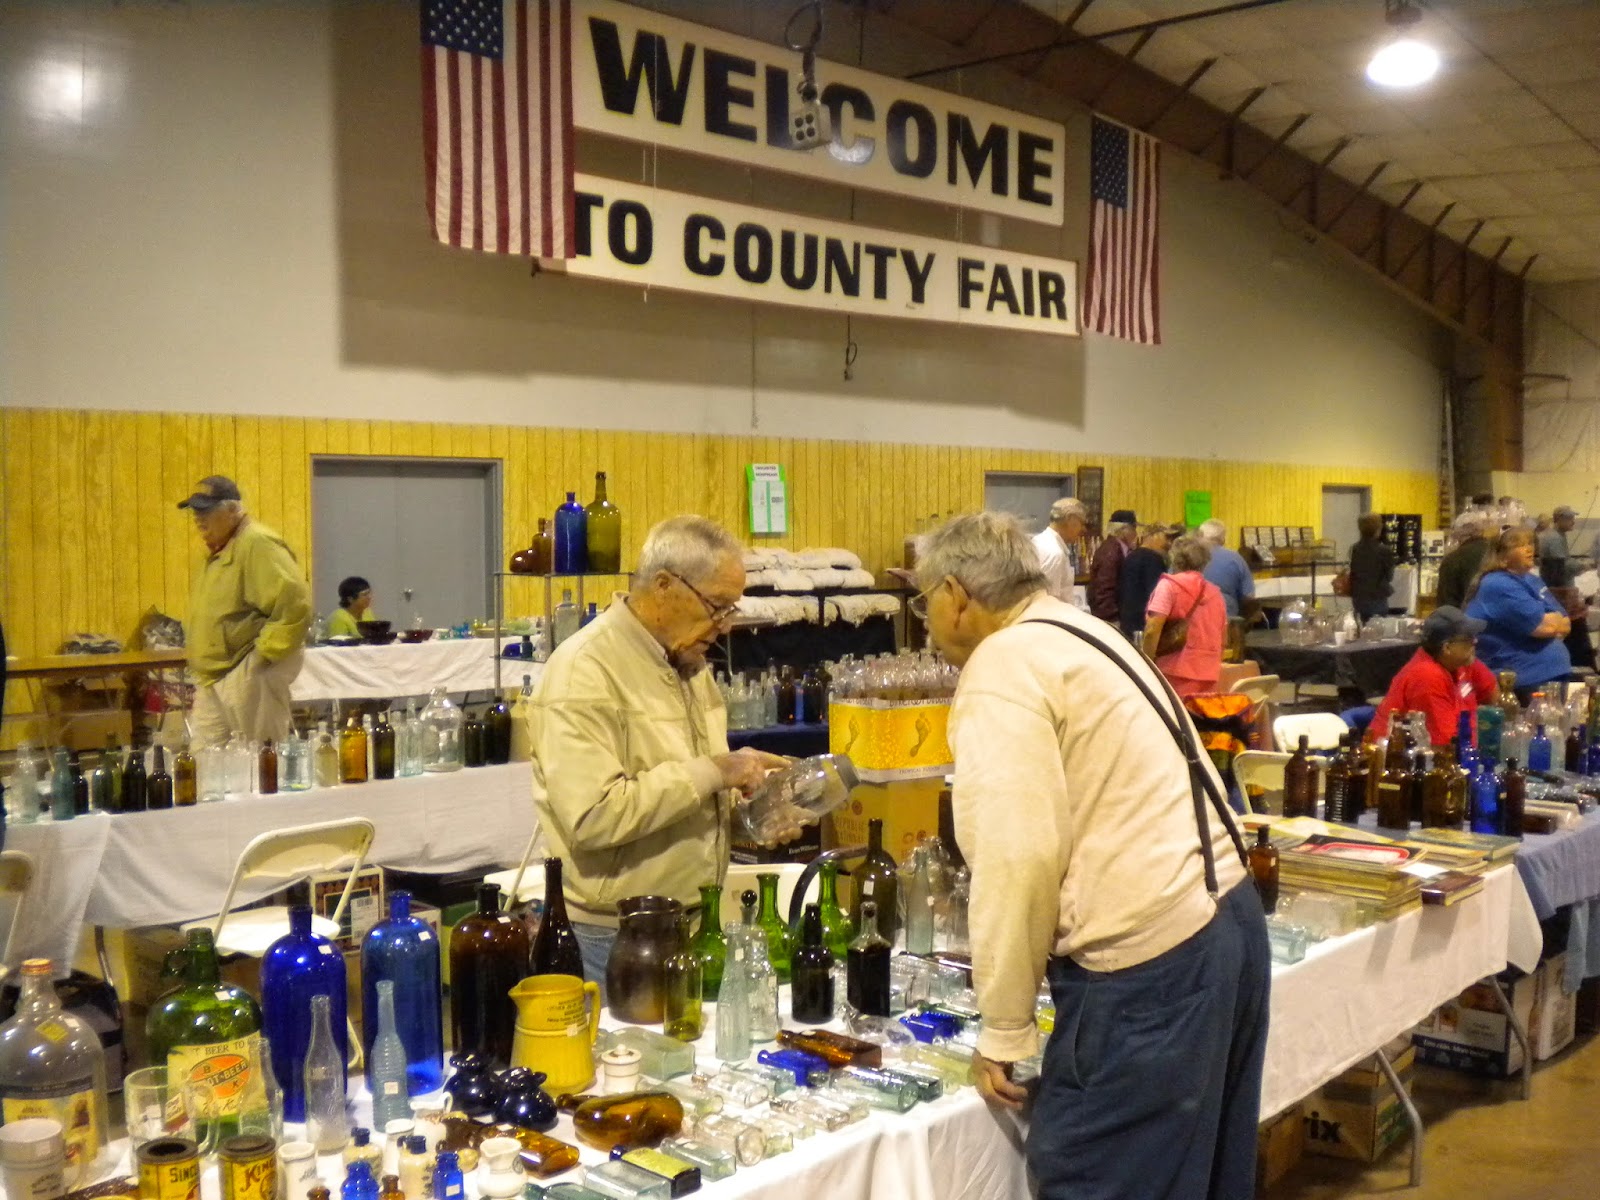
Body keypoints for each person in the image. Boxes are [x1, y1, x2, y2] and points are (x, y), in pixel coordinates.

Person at [911, 513, 1268, 1200]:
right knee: (1199, 1177)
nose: (926, 620)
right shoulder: (1083, 631)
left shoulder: (1003, 664)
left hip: (1153, 962)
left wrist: (1005, 1026)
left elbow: (1017, 856)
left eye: (923, 600)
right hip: (1227, 918)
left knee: (1093, 1174)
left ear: (954, 594)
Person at [528, 515, 790, 982]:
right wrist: (718, 771)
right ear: (664, 586)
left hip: (693, 922)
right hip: (614, 939)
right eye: (717, 606)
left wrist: (754, 813)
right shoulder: (584, 671)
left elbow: (687, 799)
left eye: (731, 609)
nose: (725, 626)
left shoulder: (687, 661)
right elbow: (593, 818)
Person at [180, 476, 310, 746]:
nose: (198, 519)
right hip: (214, 676)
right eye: (195, 512)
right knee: (204, 762)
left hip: (245, 672)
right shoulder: (221, 549)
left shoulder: (257, 543)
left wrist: (262, 659)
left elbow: (294, 605)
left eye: (206, 511)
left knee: (260, 759)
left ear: (232, 510)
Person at [1465, 527, 1572, 703]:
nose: (1529, 549)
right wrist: (1551, 621)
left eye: (1530, 543)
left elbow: (1566, 623)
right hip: (1523, 678)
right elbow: (1546, 627)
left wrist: (1552, 622)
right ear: (1502, 555)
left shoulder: (1532, 580)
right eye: (1520, 545)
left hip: (1550, 674)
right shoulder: (1498, 584)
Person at [1368, 607, 1497, 747]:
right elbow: (1444, 746)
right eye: (1468, 639)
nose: (1475, 642)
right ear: (1447, 648)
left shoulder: (1461, 661)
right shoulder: (1426, 676)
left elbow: (1494, 695)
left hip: (1464, 749)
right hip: (1397, 756)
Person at [1144, 538, 1228, 697]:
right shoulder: (1216, 593)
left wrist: (1146, 663)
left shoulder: (1168, 586)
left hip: (1173, 670)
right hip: (1209, 673)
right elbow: (1223, 637)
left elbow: (1152, 630)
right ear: (1205, 563)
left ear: (1174, 559)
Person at [1197, 519, 1258, 622]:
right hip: (1227, 618)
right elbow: (1249, 596)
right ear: (1223, 539)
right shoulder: (1236, 559)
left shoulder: (1187, 556)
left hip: (1192, 620)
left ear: (1200, 536)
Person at [1031, 498, 1087, 607]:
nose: (1083, 529)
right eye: (1082, 522)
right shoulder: (1054, 553)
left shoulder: (1038, 540)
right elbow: (1048, 602)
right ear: (1071, 519)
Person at [1118, 523, 1171, 637]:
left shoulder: (1130, 556)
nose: (1168, 543)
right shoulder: (1153, 559)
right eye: (1166, 537)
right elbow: (1156, 593)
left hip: (1127, 620)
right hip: (1144, 622)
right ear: (1154, 536)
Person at [1435, 510, 1495, 610]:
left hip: (1465, 616)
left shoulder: (1452, 560)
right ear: (1481, 531)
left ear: (1457, 535)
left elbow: (1446, 606)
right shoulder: (1497, 552)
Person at [1088, 509, 1137, 622]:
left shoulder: (1113, 548)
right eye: (1134, 528)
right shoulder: (1111, 551)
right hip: (1109, 618)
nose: (1136, 533)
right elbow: (1104, 589)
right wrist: (1112, 619)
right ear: (1124, 530)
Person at [1347, 513, 1395, 622]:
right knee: (1378, 626)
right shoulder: (1384, 550)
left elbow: (1354, 571)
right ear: (1378, 528)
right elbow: (1389, 576)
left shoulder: (1355, 549)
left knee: (1361, 624)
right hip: (1377, 596)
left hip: (1359, 596)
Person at [1539, 505, 1577, 589]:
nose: (1573, 522)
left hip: (1558, 585)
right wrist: (1584, 566)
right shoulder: (1554, 538)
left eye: (1573, 518)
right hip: (1558, 588)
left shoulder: (1560, 535)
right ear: (1559, 519)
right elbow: (1562, 567)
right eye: (1569, 518)